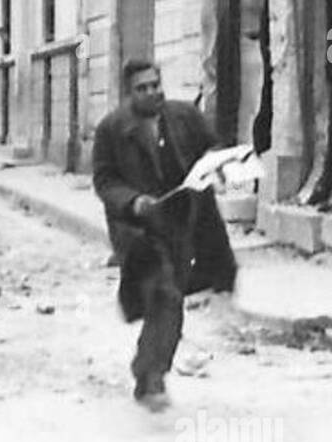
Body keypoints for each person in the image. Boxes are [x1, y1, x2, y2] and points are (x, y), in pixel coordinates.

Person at [92, 60, 238, 409]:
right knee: (164, 295)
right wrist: (134, 202)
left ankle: (147, 371)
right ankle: (152, 375)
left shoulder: (184, 116)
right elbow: (104, 180)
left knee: (168, 300)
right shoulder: (112, 129)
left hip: (182, 224)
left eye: (156, 84)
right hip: (139, 231)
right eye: (143, 88)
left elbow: (212, 150)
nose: (153, 92)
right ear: (130, 93)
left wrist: (219, 167)